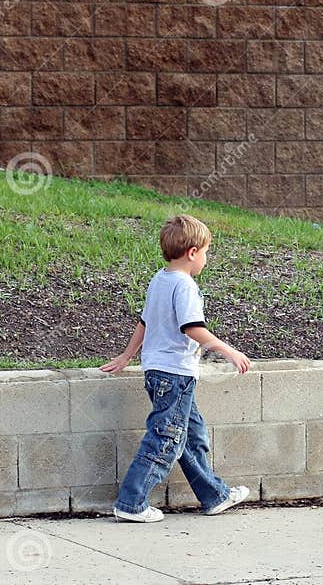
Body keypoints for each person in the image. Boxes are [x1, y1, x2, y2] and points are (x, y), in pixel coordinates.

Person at [101, 214, 252, 522]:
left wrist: (127, 356)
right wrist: (228, 350)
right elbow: (192, 327)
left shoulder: (160, 280)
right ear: (192, 252)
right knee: (166, 437)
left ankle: (215, 495)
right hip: (175, 373)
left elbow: (145, 322)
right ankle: (131, 502)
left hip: (159, 372)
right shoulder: (184, 286)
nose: (206, 259)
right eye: (206, 252)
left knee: (191, 436)